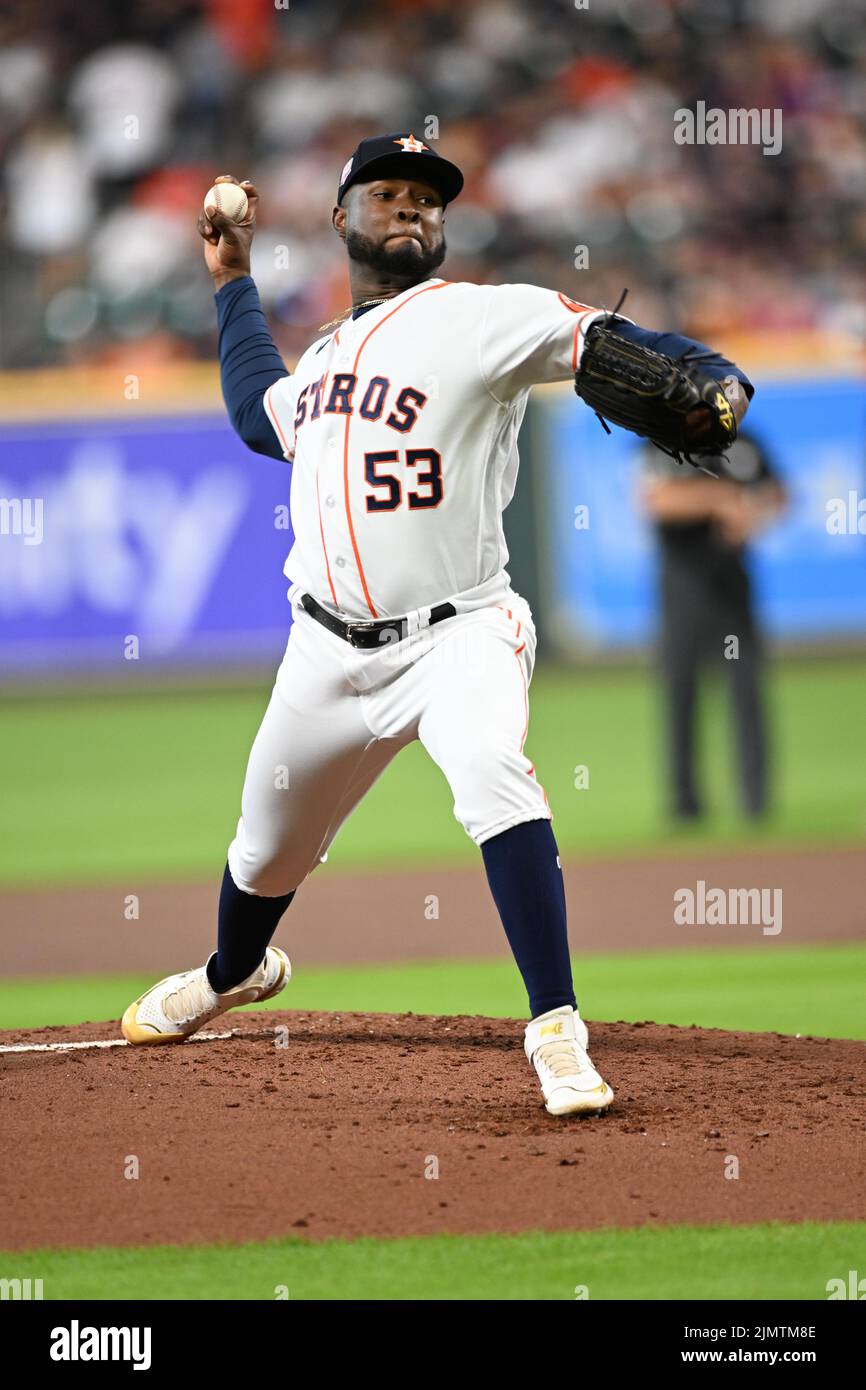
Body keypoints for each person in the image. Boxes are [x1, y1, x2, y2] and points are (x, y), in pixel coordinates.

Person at [121, 133, 752, 1116]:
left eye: (428, 197)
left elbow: (599, 343)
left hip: (459, 633)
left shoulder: (484, 319)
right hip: (324, 649)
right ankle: (231, 973)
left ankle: (554, 1027)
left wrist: (706, 368)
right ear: (342, 220)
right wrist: (232, 280)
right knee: (261, 853)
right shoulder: (326, 354)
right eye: (387, 193)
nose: (411, 207)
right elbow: (257, 412)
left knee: (491, 774)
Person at [640, 432, 786, 821]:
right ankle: (684, 802)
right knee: (681, 689)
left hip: (731, 578)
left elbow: (778, 494)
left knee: (746, 687)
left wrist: (752, 513)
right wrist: (723, 499)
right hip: (682, 580)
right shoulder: (661, 439)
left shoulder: (744, 445)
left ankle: (755, 801)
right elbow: (659, 500)